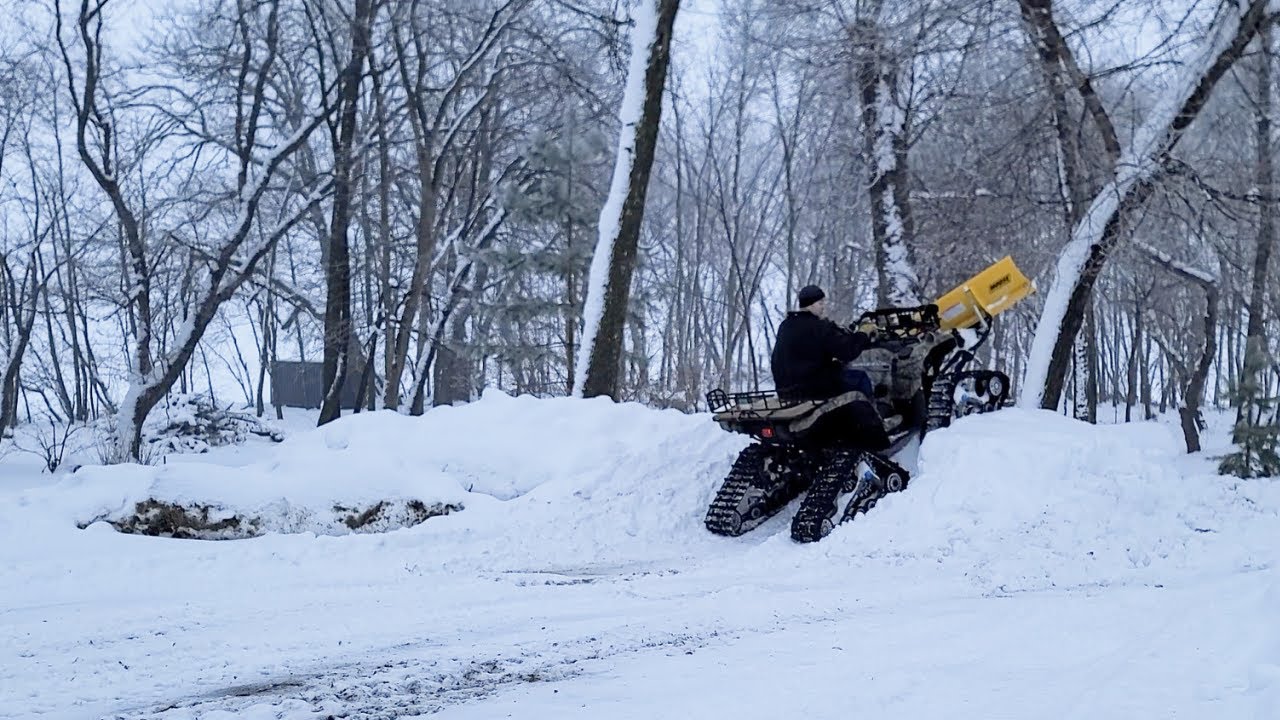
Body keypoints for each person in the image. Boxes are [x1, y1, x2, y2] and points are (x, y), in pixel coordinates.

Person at [770, 285, 874, 402]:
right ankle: (874, 418)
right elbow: (848, 351)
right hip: (813, 389)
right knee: (860, 378)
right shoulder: (819, 327)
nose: (823, 307)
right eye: (820, 303)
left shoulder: (785, 325)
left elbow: (805, 353)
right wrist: (863, 333)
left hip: (786, 390)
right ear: (811, 304)